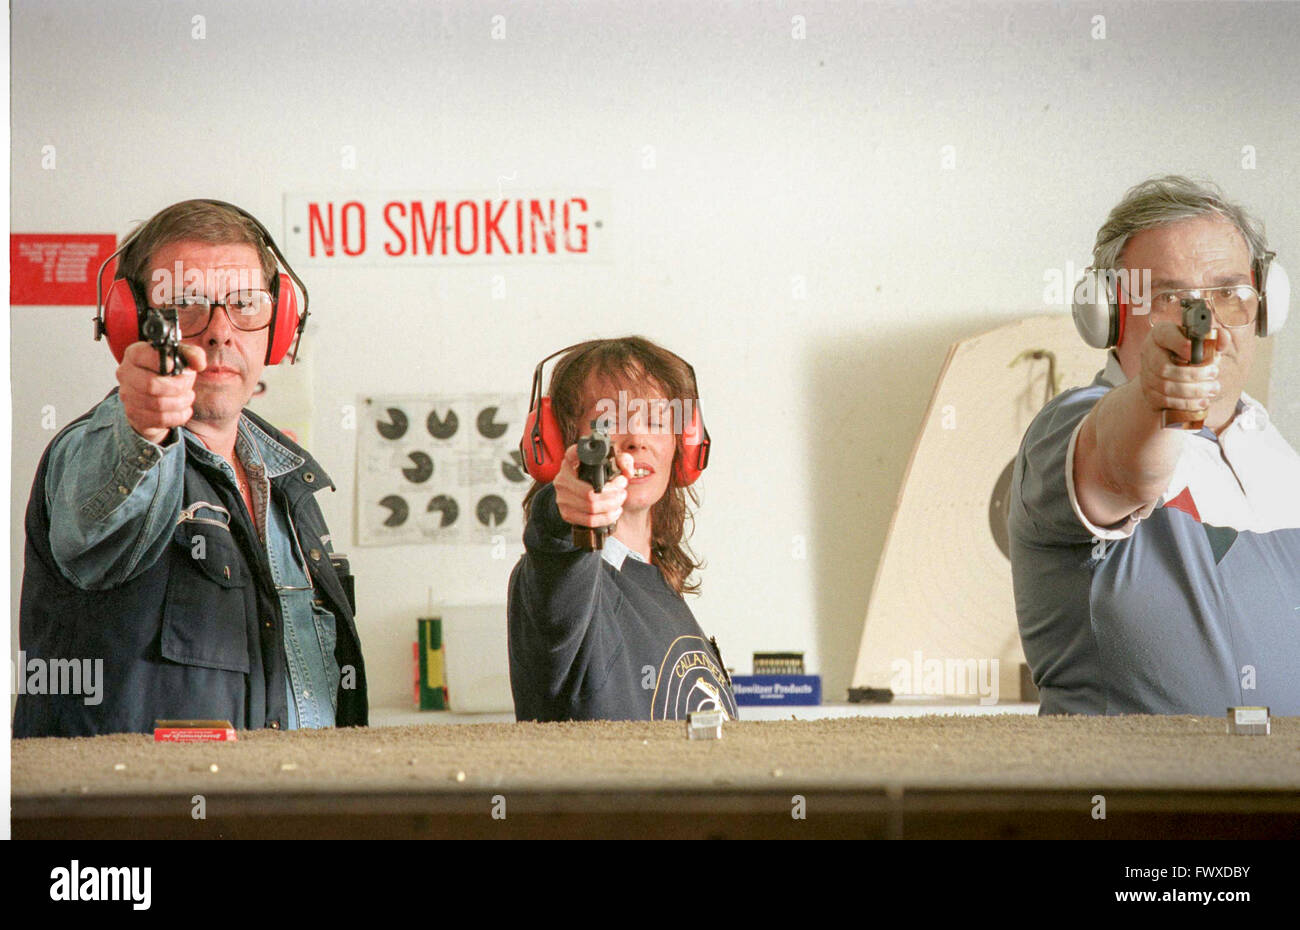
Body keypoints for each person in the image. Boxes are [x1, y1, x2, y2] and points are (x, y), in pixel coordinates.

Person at [13, 199, 367, 737]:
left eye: (245, 304)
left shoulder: (288, 483)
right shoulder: (98, 449)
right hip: (141, 817)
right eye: (184, 303)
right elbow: (92, 514)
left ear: (281, 321)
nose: (220, 331)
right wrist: (140, 427)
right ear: (130, 324)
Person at [1010, 176, 1299, 715]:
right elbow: (1123, 470)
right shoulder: (1069, 427)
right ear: (1108, 314)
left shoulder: (1279, 457)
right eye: (1169, 297)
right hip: (1130, 799)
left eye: (1230, 293)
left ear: (1263, 308)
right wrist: (1156, 395)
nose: (1204, 324)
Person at [508, 337, 738, 721]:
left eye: (656, 420)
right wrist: (562, 513)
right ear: (556, 448)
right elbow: (553, 548)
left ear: (685, 444)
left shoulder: (658, 586)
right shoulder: (557, 583)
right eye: (608, 423)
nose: (637, 439)